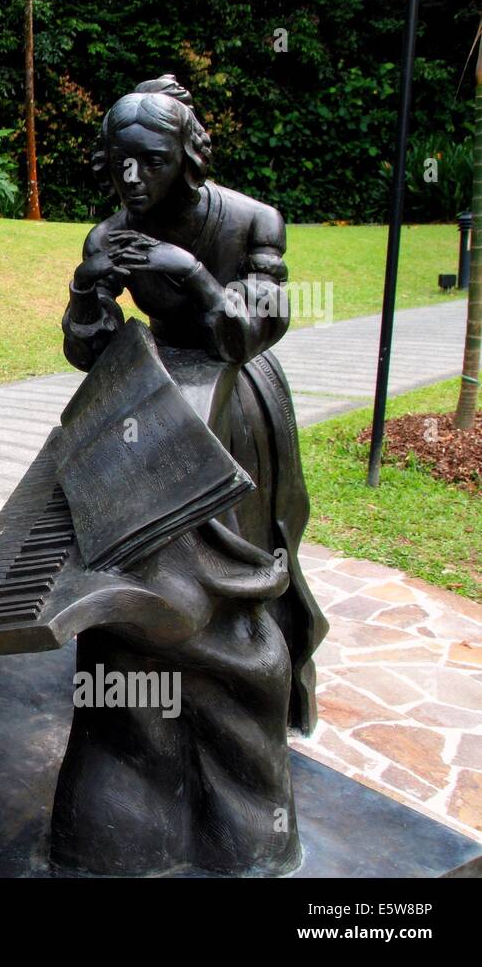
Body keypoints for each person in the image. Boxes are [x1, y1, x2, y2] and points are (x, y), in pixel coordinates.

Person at [51, 76, 328, 875]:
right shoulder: (113, 228)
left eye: (151, 163)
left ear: (186, 158)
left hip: (234, 403)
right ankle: (139, 762)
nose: (132, 182)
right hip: (144, 404)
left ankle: (240, 710)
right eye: (119, 166)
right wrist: (89, 288)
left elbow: (252, 332)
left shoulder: (251, 222)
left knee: (230, 576)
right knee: (133, 569)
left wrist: (192, 276)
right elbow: (87, 345)